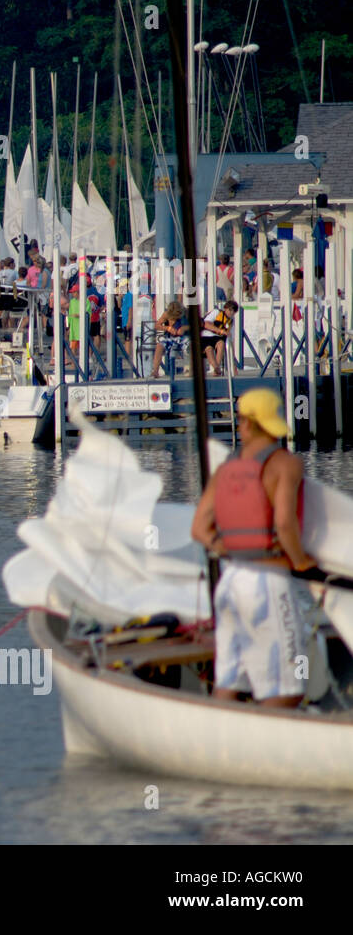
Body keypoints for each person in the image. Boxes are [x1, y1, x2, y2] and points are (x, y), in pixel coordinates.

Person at [191, 388, 314, 708]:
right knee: (288, 689)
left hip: (230, 583)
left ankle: (221, 747)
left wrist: (229, 547)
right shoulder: (285, 464)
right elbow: (285, 525)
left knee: (230, 682)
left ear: (244, 424)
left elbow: (199, 529)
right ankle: (276, 751)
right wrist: (301, 562)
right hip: (268, 584)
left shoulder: (224, 469)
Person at [149, 300, 188, 377]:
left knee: (190, 346)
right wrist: (168, 328)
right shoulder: (166, 314)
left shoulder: (186, 313)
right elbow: (157, 325)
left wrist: (184, 328)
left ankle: (190, 369)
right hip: (170, 338)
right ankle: (155, 371)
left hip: (183, 338)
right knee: (159, 346)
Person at [200, 299, 239, 375]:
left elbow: (231, 339)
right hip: (206, 335)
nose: (231, 312)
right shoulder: (216, 312)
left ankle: (216, 369)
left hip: (218, 338)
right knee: (209, 349)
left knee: (221, 344)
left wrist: (233, 364)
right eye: (230, 310)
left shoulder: (231, 321)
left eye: (233, 311)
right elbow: (206, 324)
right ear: (225, 308)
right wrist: (220, 331)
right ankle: (216, 367)